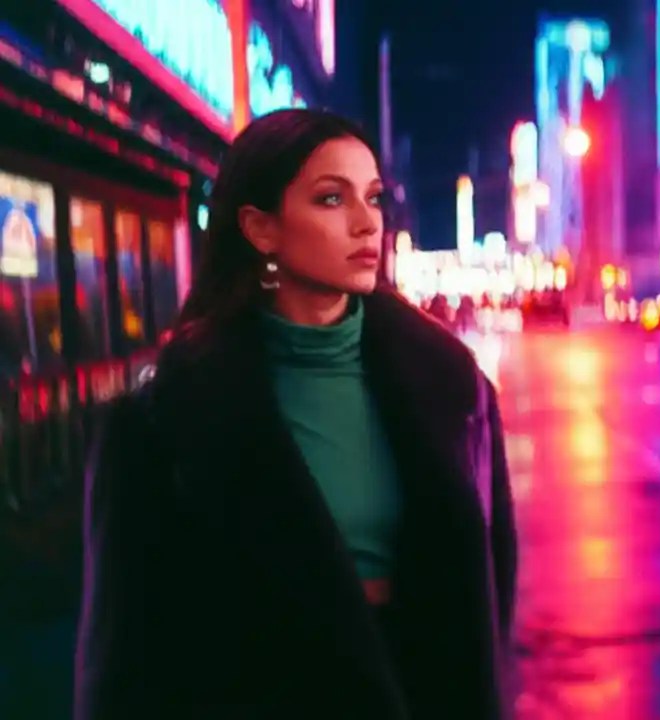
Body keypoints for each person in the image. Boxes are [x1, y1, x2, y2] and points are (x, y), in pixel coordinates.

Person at [73, 109, 518, 719]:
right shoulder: (161, 421)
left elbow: (492, 594)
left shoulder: (454, 387)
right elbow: (120, 663)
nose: (367, 224)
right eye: (332, 199)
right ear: (260, 229)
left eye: (373, 197)